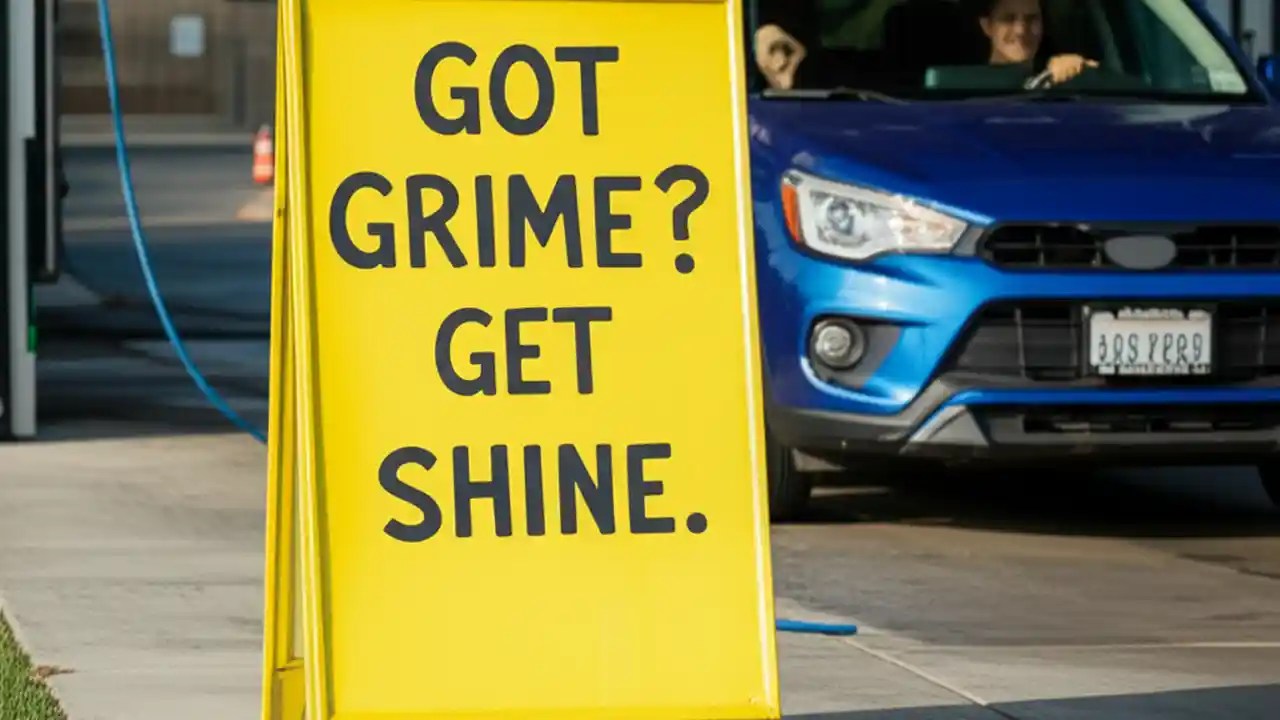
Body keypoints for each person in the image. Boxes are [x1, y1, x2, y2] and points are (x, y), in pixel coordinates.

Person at [976, 0, 1098, 85]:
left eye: (1031, 18)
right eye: (1009, 19)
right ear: (987, 26)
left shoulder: (1060, 83)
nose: (1021, 30)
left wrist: (1078, 74)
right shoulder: (968, 89)